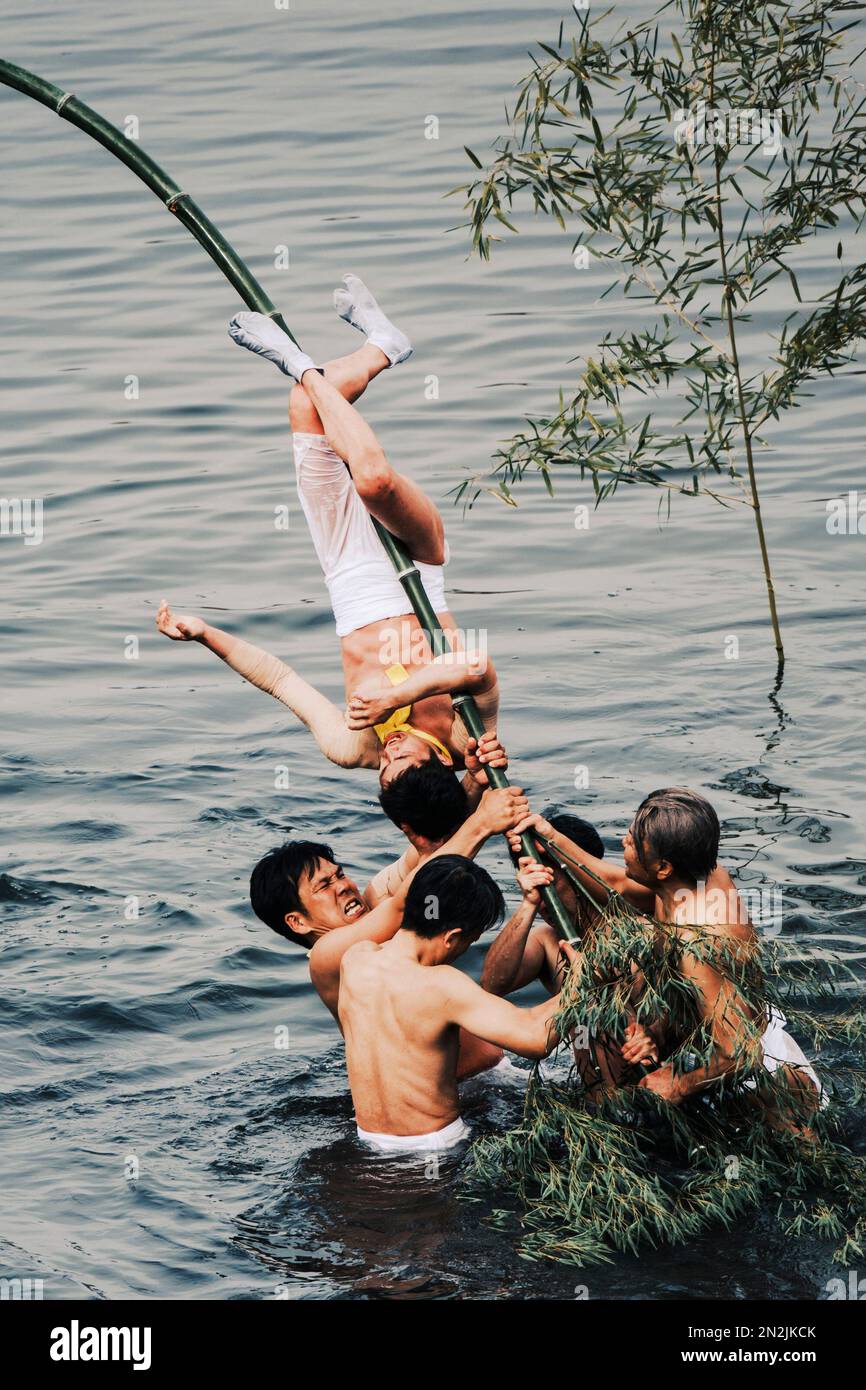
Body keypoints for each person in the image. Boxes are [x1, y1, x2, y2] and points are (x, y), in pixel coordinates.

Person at [156, 276, 499, 840]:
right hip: (420, 568)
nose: (387, 750)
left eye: (383, 768)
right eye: (403, 756)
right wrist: (398, 696)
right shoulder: (466, 741)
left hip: (346, 572)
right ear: (439, 765)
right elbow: (477, 669)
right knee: (373, 480)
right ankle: (299, 361)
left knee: (303, 410)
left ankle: (382, 347)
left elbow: (281, 679)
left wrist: (203, 634)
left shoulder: (351, 747)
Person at [507, 787, 822, 1111]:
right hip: (711, 1049)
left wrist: (677, 1084)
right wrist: (549, 836)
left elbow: (741, 1051)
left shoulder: (696, 944)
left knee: (802, 1154)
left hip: (762, 1080)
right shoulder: (697, 877)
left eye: (632, 840)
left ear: (663, 868)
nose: (624, 842)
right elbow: (614, 884)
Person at [250, 784, 531, 1079]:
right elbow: (411, 896)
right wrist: (483, 822)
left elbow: (430, 849)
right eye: (325, 885)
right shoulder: (327, 957)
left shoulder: (372, 908)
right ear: (298, 922)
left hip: (498, 1076)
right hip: (454, 1098)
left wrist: (474, 782)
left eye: (340, 874)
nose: (344, 886)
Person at [337, 856, 573, 1153]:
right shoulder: (440, 984)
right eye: (469, 942)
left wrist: (528, 905)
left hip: (369, 1142)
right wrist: (582, 980)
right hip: (435, 1146)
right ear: (452, 938)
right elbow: (536, 1038)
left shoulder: (355, 959)